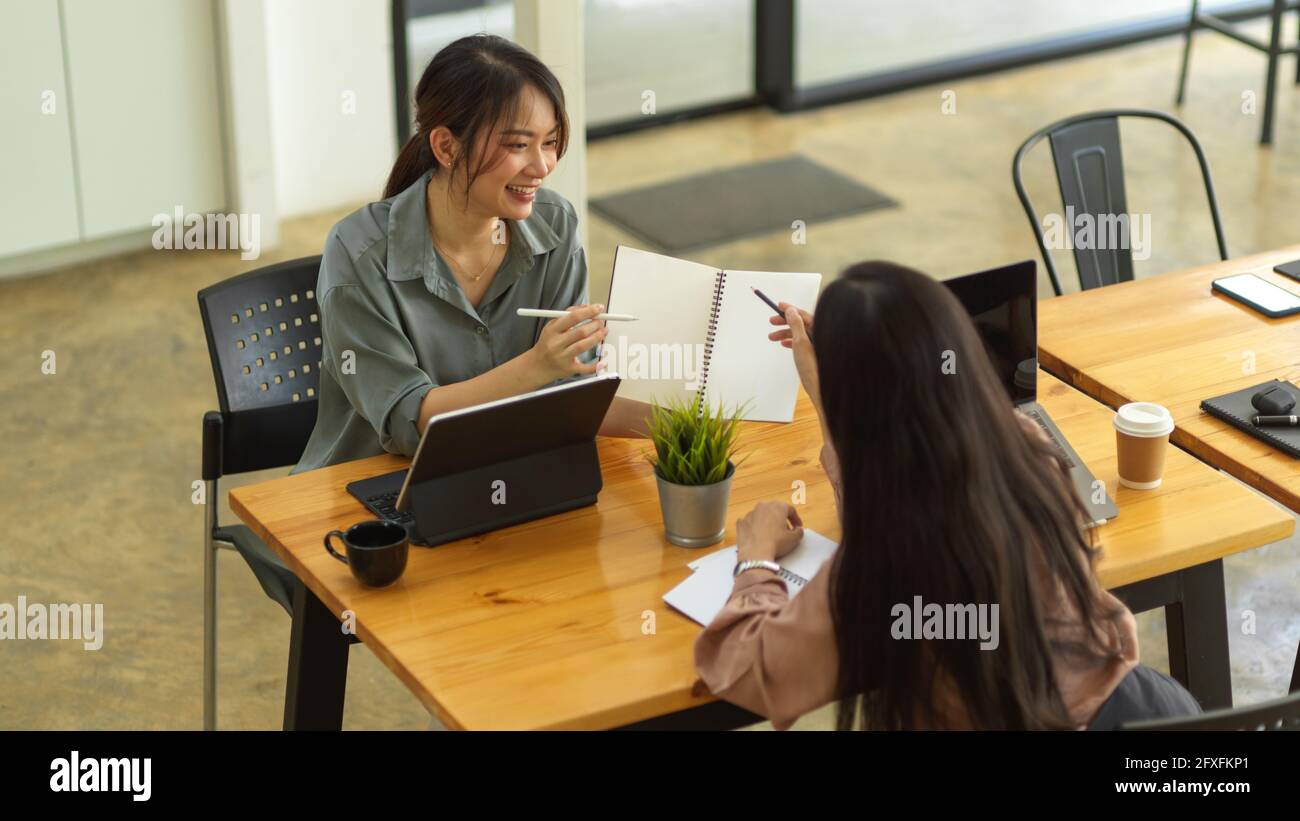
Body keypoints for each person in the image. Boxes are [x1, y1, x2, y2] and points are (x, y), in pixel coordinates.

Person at [694, 261, 1201, 730]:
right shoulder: (1025, 445)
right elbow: (890, 484)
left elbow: (755, 672)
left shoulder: (883, 561)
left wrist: (755, 561)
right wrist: (829, 392)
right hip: (1153, 711)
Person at [294, 34, 647, 474]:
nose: (542, 166)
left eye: (550, 142)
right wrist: (538, 366)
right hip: (369, 492)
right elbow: (413, 420)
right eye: (518, 145)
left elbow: (568, 394)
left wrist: (693, 419)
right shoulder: (359, 253)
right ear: (446, 147)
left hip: (503, 469)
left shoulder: (555, 225)